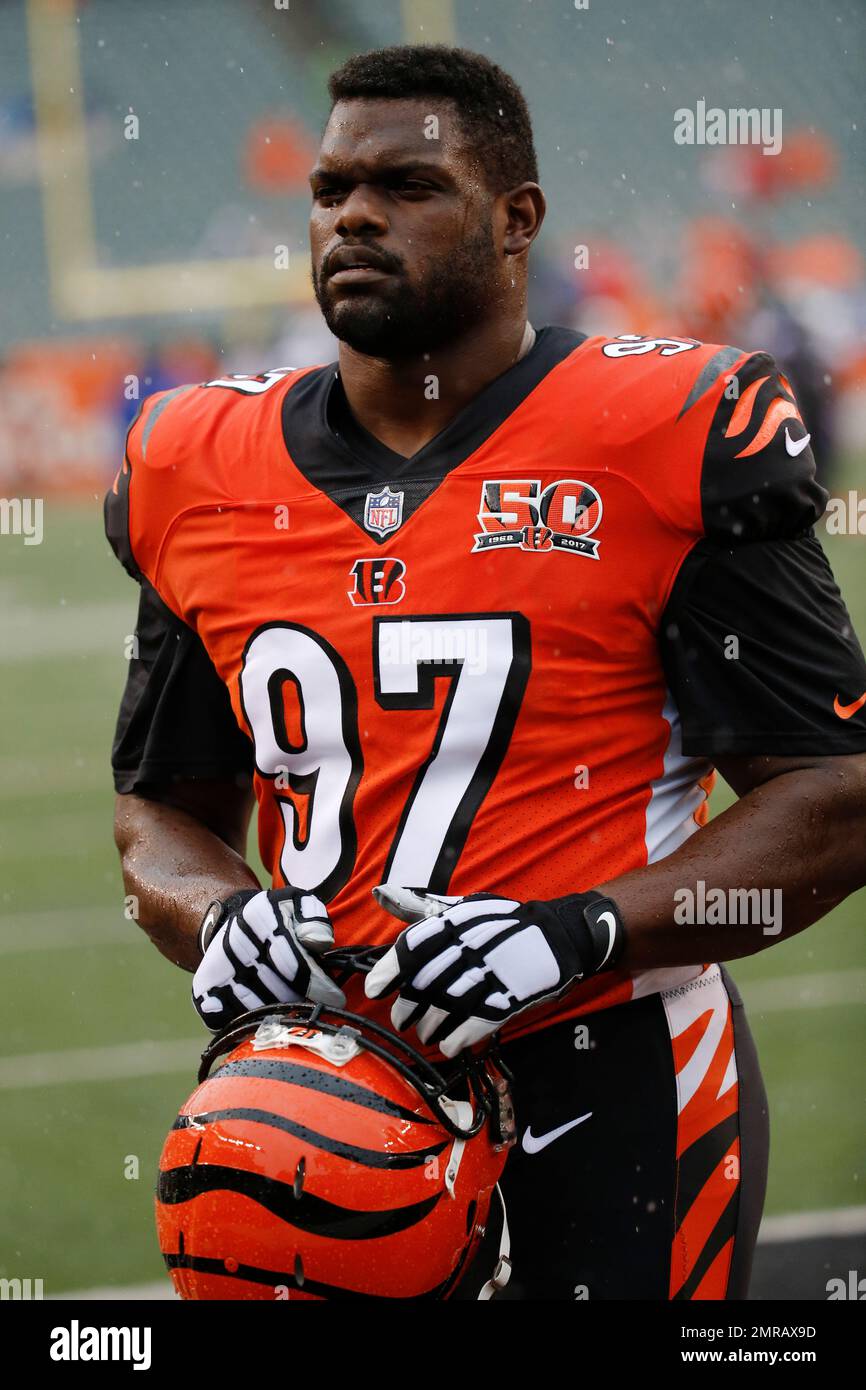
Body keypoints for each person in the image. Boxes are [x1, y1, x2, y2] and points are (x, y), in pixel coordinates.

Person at [105, 45, 866, 1301]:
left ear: (516, 221)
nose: (352, 213)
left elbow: (831, 794)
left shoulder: (661, 428)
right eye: (331, 188)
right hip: (313, 1094)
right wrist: (217, 915)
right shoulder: (198, 460)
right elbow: (160, 813)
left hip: (611, 1089)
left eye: (407, 184)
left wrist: (580, 932)